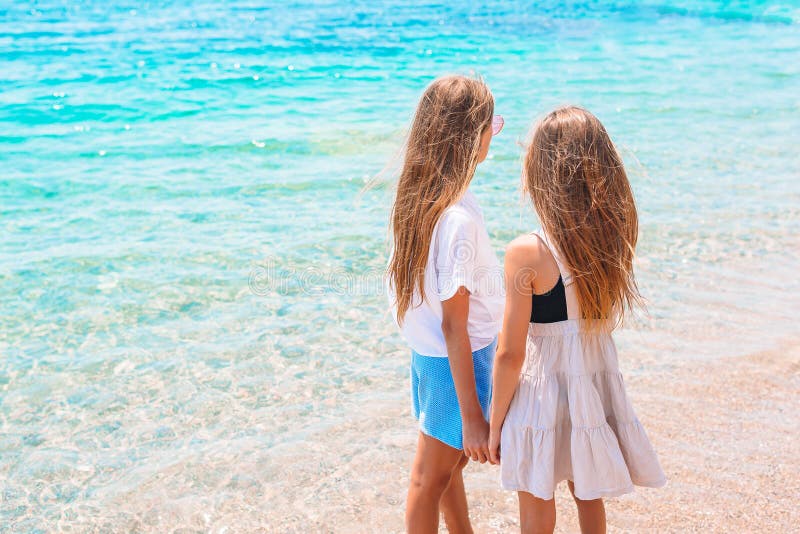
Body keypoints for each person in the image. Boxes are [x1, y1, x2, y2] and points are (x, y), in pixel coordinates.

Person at [488, 106, 666, 534]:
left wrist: (494, 425)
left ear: (540, 173)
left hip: (541, 392)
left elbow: (510, 353)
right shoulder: (612, 239)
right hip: (590, 386)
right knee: (587, 494)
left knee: (536, 504)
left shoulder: (527, 252)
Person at [386, 74, 505, 533]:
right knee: (428, 479)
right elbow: (456, 324)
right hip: (456, 360)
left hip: (433, 357)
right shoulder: (455, 218)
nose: (492, 136)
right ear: (469, 136)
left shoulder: (425, 200)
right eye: (491, 126)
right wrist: (473, 414)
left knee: (448, 469)